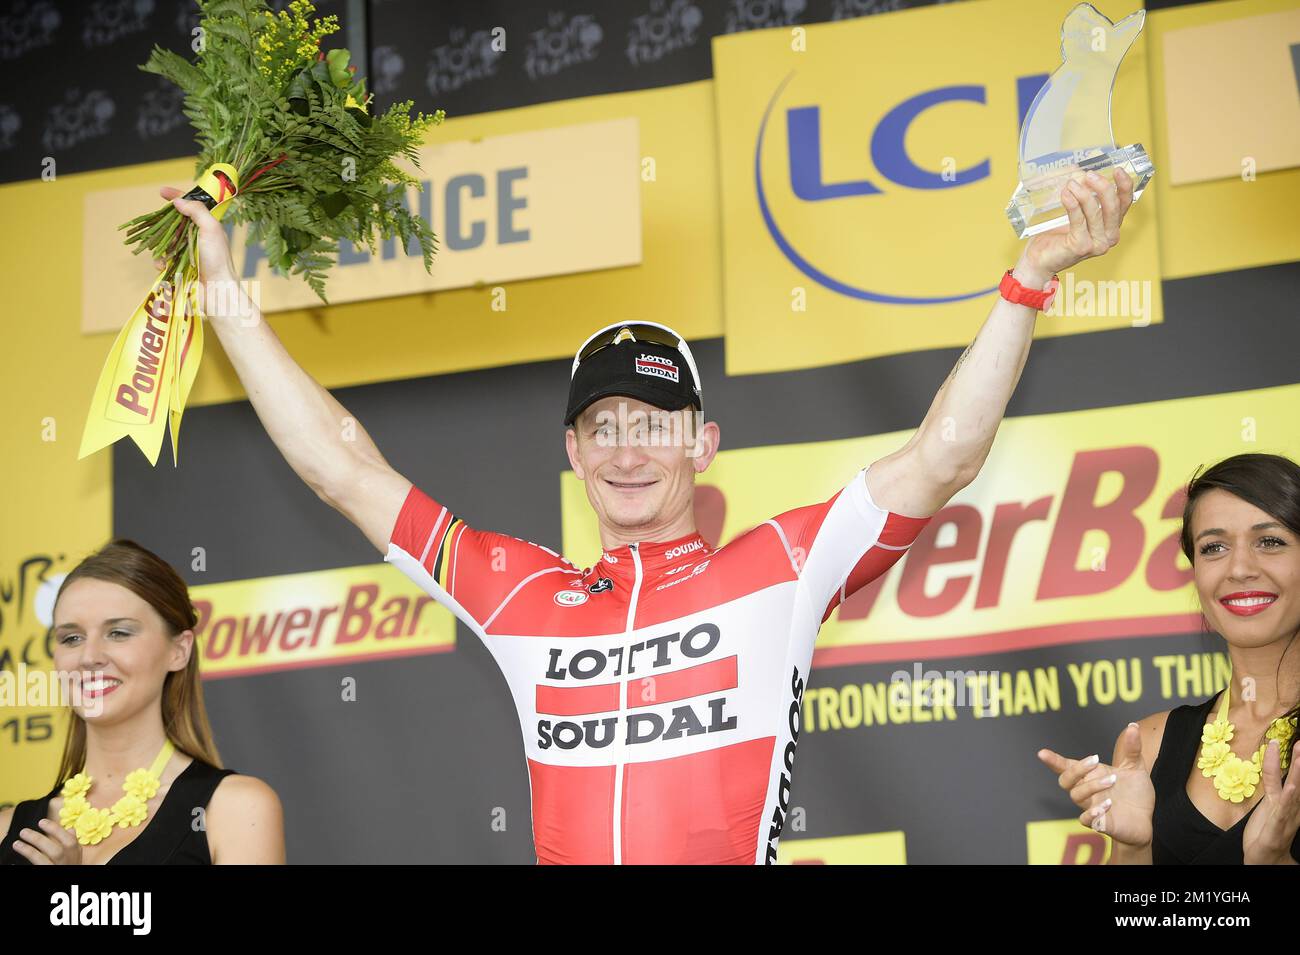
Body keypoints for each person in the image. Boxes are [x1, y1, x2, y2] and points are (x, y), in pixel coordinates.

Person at [161, 167, 1135, 863]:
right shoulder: (522, 593)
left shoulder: (781, 566)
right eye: (603, 426)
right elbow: (339, 464)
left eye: (655, 424)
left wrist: (1028, 279)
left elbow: (945, 454)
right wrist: (217, 277)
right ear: (574, 454)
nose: (628, 450)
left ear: (702, 447)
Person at [1038, 453, 1300, 864]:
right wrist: (1134, 848)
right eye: (1214, 547)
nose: (1240, 568)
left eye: (1270, 541)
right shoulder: (1150, 744)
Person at [0, 540, 284, 865]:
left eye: (119, 633)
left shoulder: (235, 809)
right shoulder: (9, 830)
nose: (89, 656)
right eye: (71, 638)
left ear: (179, 650)